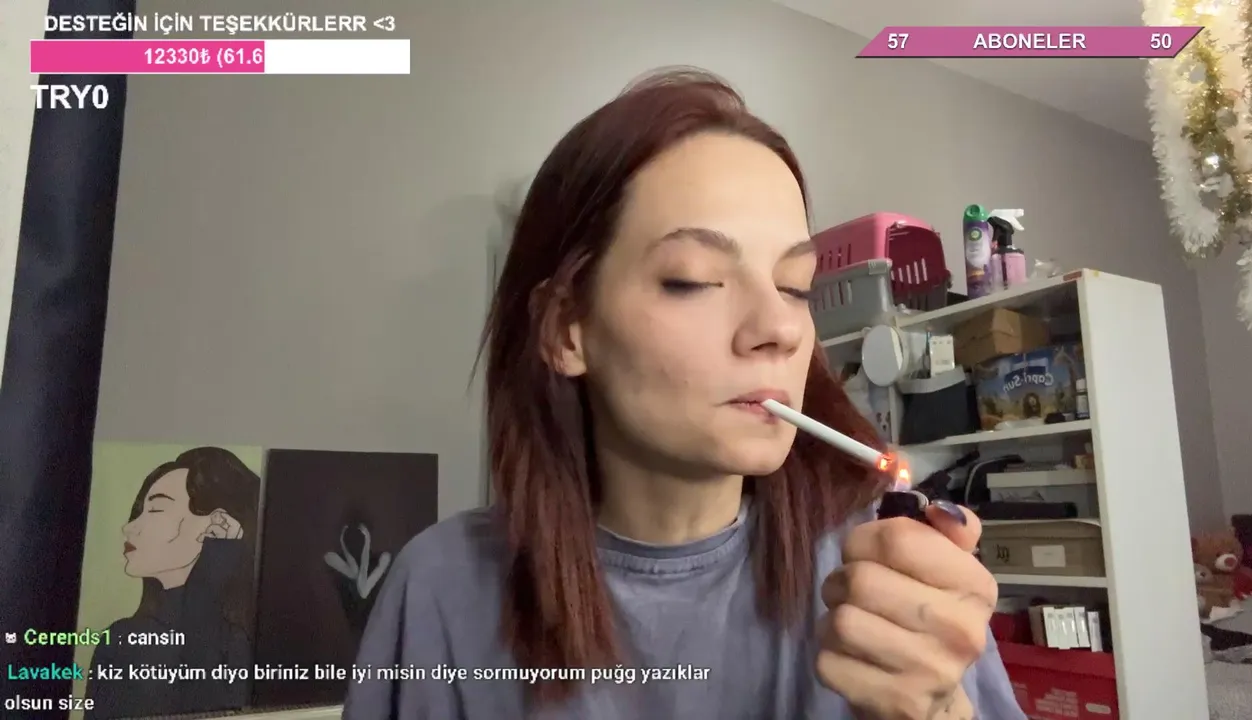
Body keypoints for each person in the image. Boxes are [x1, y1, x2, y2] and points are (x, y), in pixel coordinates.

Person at [344, 68, 1025, 719]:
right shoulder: (443, 586)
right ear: (566, 328)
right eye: (694, 279)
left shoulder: (884, 569)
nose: (781, 328)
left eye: (795, 286)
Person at [86, 446, 260, 719]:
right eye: (140, 511)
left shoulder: (239, 645)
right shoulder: (123, 639)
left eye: (155, 509)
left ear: (218, 523)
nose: (129, 527)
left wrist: (215, 564)